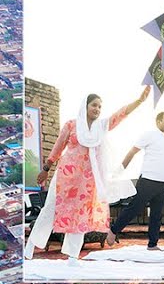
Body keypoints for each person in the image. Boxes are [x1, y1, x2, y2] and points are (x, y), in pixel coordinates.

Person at [26, 89, 147, 260]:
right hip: (65, 177)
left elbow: (121, 114)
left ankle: (72, 257)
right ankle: (31, 246)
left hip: (87, 181)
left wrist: (139, 100)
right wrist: (46, 169)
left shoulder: (101, 127)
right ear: (85, 106)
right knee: (50, 209)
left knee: (80, 216)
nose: (97, 109)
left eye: (100, 106)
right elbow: (58, 147)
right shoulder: (71, 125)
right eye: (94, 105)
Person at [108, 95, 164, 250]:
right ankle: (114, 229)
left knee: (156, 215)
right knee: (134, 208)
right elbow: (132, 152)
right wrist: (119, 170)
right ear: (158, 122)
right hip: (148, 180)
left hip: (163, 182)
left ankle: (152, 244)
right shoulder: (150, 135)